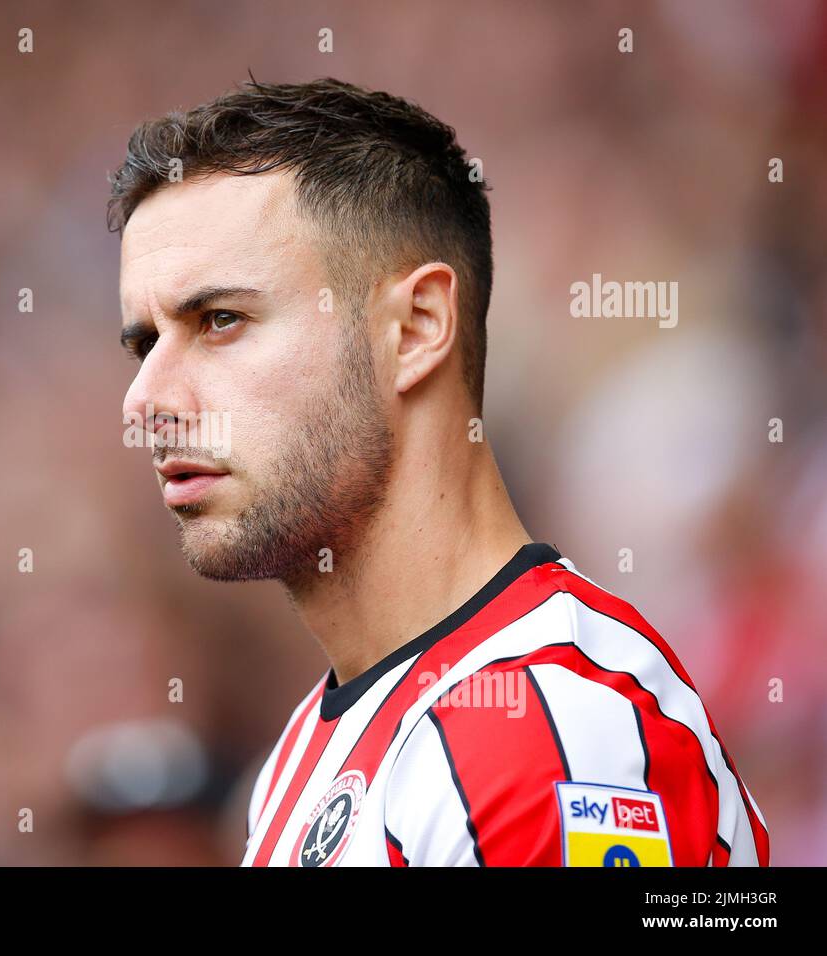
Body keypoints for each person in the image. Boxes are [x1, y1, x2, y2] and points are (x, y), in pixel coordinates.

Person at [109, 77, 769, 866]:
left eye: (220, 320)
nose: (144, 399)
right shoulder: (301, 757)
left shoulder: (556, 733)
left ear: (417, 328)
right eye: (145, 344)